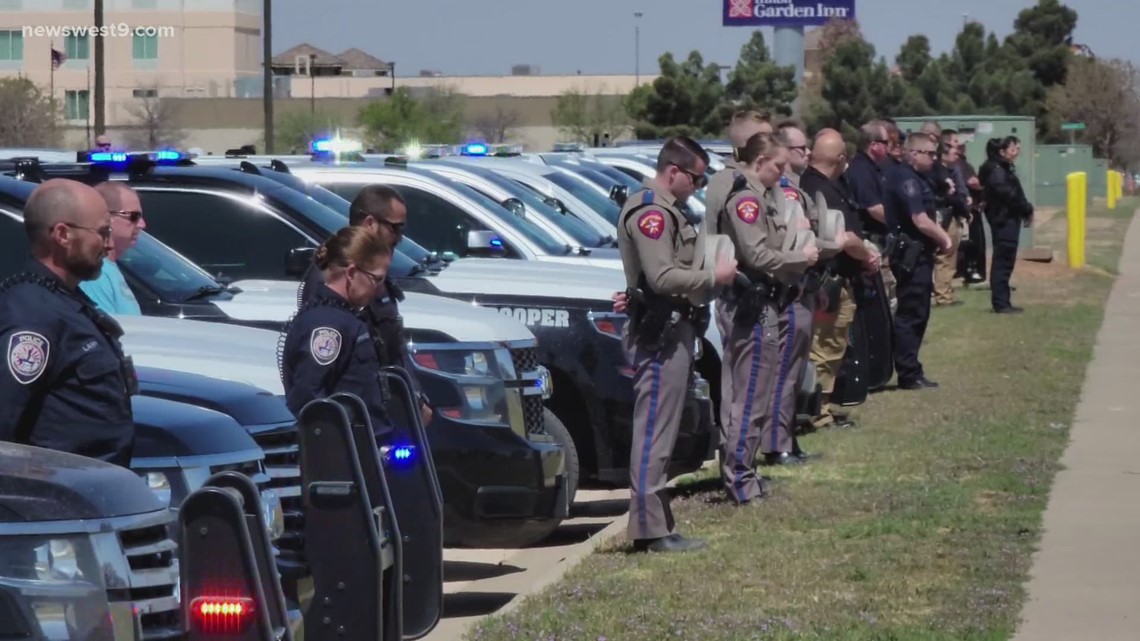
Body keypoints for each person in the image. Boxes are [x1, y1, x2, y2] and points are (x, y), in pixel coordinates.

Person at [617, 136, 736, 552]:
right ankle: (649, 530)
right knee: (653, 430)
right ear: (674, 172)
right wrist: (713, 279)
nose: (699, 188)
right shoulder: (652, 211)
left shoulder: (667, 209)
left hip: (673, 330)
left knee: (662, 431)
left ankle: (658, 523)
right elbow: (662, 277)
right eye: (697, 179)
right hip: (659, 335)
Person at [0, 179, 136, 466]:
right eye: (102, 232)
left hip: (95, 492)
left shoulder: (68, 302)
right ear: (62, 234)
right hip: (58, 499)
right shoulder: (31, 316)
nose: (109, 243)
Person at [715, 132, 820, 490]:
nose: (781, 172)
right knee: (750, 397)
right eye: (777, 165)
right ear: (760, 162)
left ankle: (747, 472)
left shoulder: (763, 198)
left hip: (768, 302)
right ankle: (740, 478)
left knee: (757, 395)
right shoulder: (747, 201)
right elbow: (757, 255)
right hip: (752, 304)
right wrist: (799, 257)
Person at [299, 185, 432, 426]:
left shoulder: (375, 276)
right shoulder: (330, 277)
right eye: (395, 227)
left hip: (386, 414)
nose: (400, 237)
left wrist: (416, 397)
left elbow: (393, 348)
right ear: (370, 222)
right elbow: (316, 382)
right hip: (356, 423)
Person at [281, 225, 394, 432]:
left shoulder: (345, 319)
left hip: (368, 449)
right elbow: (308, 399)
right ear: (351, 273)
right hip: (348, 456)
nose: (379, 289)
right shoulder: (328, 326)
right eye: (376, 279)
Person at [801, 129, 878, 430]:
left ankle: (821, 408)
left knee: (825, 347)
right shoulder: (826, 191)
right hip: (829, 282)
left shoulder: (811, 184)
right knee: (826, 349)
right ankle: (819, 413)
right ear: (841, 158)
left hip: (824, 279)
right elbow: (845, 238)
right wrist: (867, 255)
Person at [702, 110, 773, 437]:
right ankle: (738, 462)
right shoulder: (730, 183)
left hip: (754, 294)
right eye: (765, 137)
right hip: (741, 296)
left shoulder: (749, 181)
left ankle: (744, 459)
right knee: (742, 386)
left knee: (752, 385)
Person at [884, 133, 953, 390]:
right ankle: (908, 372)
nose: (934, 159)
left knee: (919, 311)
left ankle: (911, 368)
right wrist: (945, 239)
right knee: (911, 313)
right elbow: (919, 219)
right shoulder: (905, 178)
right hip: (910, 255)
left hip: (918, 253)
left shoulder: (916, 178)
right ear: (914, 154)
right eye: (930, 153)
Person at [845, 119, 897, 308]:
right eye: (885, 143)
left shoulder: (876, 168)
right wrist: (902, 222)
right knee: (881, 296)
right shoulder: (861, 170)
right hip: (872, 244)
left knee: (890, 293)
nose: (889, 147)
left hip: (883, 241)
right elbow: (874, 208)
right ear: (874, 145)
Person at [979, 136, 1034, 314]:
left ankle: (1003, 300)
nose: (1016, 152)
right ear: (1001, 152)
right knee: (1002, 262)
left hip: (1008, 219)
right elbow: (1009, 195)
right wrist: (1025, 208)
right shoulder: (996, 171)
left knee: (1006, 261)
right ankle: (1001, 303)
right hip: (1003, 220)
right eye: (1012, 149)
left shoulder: (1001, 169)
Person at [79, 182, 145, 315]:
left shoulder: (107, 268)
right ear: (106, 217)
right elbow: (103, 334)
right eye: (134, 217)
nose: (142, 224)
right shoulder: (95, 276)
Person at [930, 128, 969, 307]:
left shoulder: (948, 170)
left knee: (950, 258)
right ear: (943, 153)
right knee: (945, 257)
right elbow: (949, 197)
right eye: (953, 151)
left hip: (951, 216)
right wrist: (964, 209)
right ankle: (943, 296)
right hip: (944, 217)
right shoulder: (939, 171)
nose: (957, 154)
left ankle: (946, 292)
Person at [775, 121, 810, 188]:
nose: (808, 152)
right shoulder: (783, 188)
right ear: (784, 150)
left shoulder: (798, 182)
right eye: (802, 148)